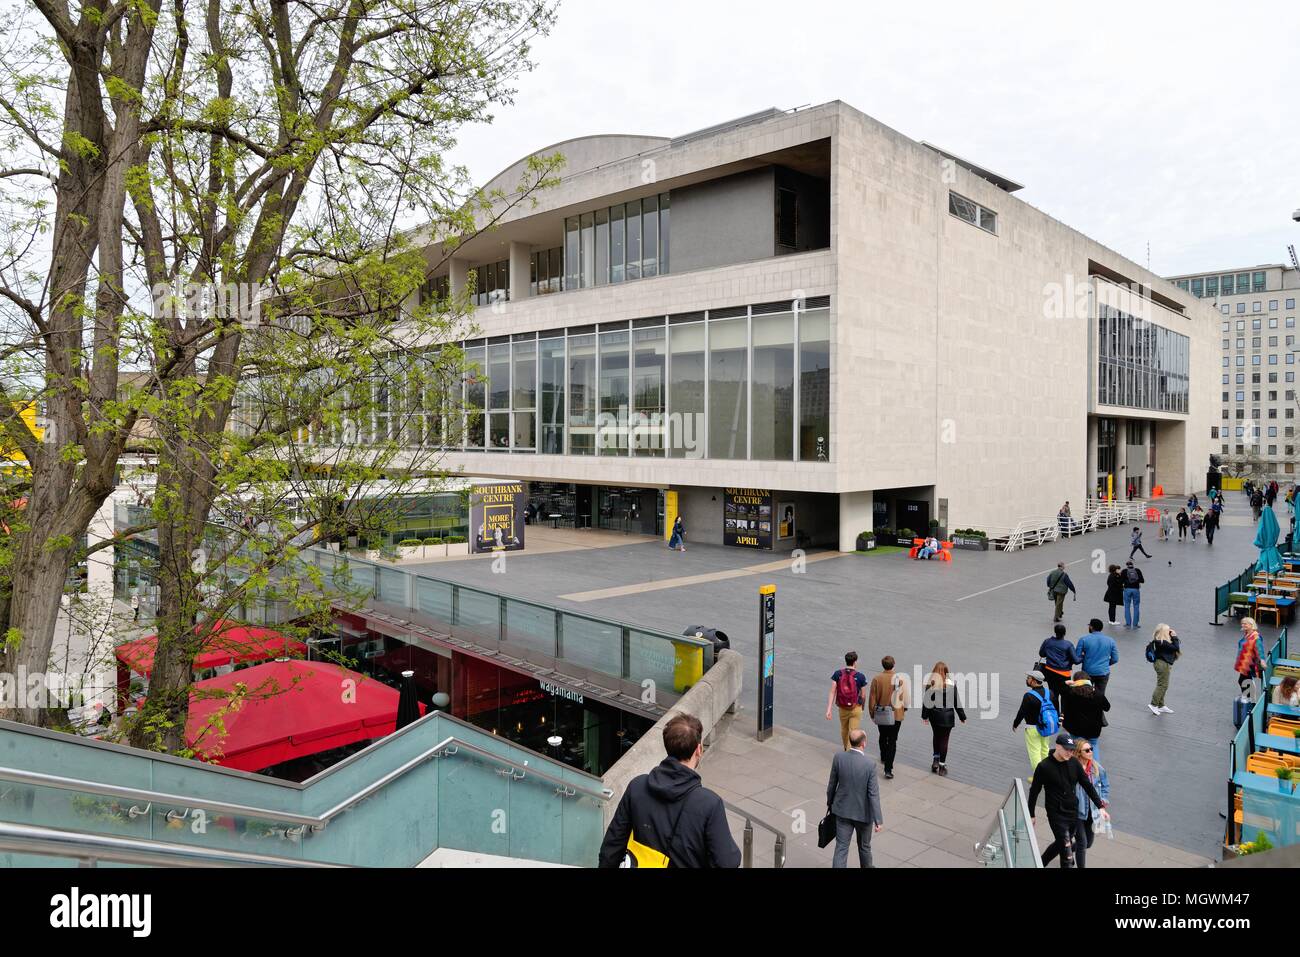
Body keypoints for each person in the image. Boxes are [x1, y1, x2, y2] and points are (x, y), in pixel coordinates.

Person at [598, 713, 740, 868]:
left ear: (667, 747)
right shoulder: (709, 804)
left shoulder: (637, 786)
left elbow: (612, 846)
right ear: (699, 750)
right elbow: (727, 862)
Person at [1028, 732, 1106, 869]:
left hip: (1072, 813)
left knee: (1062, 843)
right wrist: (1031, 814)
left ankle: (1041, 862)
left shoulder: (1074, 763)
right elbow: (1034, 791)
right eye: (1066, 749)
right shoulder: (1044, 767)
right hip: (1056, 814)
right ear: (1057, 746)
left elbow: (1087, 785)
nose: (1069, 753)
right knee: (1067, 856)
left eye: (1071, 750)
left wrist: (1100, 806)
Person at [825, 728, 884, 868]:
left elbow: (832, 784)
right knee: (864, 847)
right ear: (863, 743)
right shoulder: (869, 765)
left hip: (842, 811)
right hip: (863, 815)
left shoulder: (839, 758)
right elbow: (873, 794)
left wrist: (830, 803)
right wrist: (878, 820)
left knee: (841, 847)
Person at [1070, 737, 1111, 869]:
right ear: (1078, 752)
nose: (1091, 752)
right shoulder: (1072, 769)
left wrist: (1103, 800)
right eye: (1087, 750)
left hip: (1092, 812)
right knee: (1082, 843)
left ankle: (1067, 850)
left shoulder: (1097, 768)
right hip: (1077, 812)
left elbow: (1105, 786)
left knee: (1088, 843)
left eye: (1091, 749)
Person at [920, 661, 966, 775]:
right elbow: (957, 702)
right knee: (944, 740)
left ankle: (935, 760)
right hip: (947, 717)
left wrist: (924, 716)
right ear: (946, 672)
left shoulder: (931, 684)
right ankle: (942, 766)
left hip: (934, 716)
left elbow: (927, 703)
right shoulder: (951, 685)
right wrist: (962, 716)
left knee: (936, 736)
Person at [867, 656, 908, 780]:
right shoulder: (900, 678)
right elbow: (905, 697)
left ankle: (884, 756)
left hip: (882, 714)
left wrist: (872, 713)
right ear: (894, 664)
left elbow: (872, 698)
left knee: (883, 736)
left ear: (882, 665)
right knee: (892, 740)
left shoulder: (877, 679)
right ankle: (888, 769)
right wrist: (904, 708)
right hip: (896, 715)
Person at [1013, 671, 1056, 774]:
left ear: (1033, 680)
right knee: (1045, 750)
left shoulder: (1028, 696)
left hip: (1032, 728)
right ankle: (1048, 774)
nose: (1027, 679)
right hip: (1046, 727)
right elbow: (1055, 708)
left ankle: (1039, 778)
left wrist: (1015, 724)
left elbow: (1022, 712)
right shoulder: (1049, 693)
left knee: (1035, 753)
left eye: (1029, 678)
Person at [1062, 671, 1110, 762]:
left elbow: (1060, 690)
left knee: (1075, 749)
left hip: (1075, 728)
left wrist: (1066, 683)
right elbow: (1107, 707)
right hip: (1093, 730)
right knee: (1093, 749)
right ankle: (1096, 773)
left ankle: (1076, 770)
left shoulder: (1071, 693)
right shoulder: (1097, 694)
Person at [826, 651, 868, 750]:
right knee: (853, 732)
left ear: (846, 661)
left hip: (842, 707)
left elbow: (832, 692)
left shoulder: (837, 674)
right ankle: (849, 753)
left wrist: (829, 710)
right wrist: (862, 708)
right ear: (855, 662)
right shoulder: (860, 676)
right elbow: (863, 694)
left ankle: (846, 748)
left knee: (844, 730)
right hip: (855, 708)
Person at [1038, 623, 1078, 715]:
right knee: (1064, 695)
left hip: (1050, 672)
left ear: (1055, 632)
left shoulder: (1047, 641)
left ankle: (1055, 713)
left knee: (1053, 693)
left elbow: (1042, 654)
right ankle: (1063, 715)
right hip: (1064, 675)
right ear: (1065, 633)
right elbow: (1076, 660)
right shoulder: (1068, 645)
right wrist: (1083, 656)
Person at [1074, 619, 1119, 701]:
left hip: (1087, 672)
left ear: (1091, 627)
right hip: (1103, 672)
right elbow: (1115, 659)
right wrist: (1105, 664)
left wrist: (1084, 657)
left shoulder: (1084, 639)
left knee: (1084, 695)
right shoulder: (1110, 641)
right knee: (1100, 696)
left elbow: (1077, 658)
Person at [1145, 623, 1181, 716]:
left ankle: (1161, 705)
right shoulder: (1161, 642)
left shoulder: (1160, 641)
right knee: (1162, 685)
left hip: (1163, 663)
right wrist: (1175, 636)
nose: (1170, 632)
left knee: (1164, 685)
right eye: (1168, 630)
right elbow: (1176, 647)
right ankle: (1153, 704)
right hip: (1162, 664)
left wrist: (1172, 637)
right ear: (1164, 632)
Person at [1234, 617, 1263, 701]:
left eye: (1245, 623)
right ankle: (1248, 696)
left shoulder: (1255, 636)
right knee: (1245, 680)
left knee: (1243, 680)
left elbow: (1259, 649)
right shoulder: (1247, 634)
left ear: (1251, 625)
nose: (1243, 625)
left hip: (1250, 663)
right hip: (1245, 662)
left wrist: (1262, 660)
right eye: (1242, 623)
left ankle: (1248, 698)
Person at [1121, 560, 1144, 629]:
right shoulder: (1137, 570)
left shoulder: (1124, 571)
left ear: (1127, 565)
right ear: (1132, 565)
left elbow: (1121, 581)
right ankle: (1135, 624)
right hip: (1136, 590)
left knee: (1127, 606)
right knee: (1136, 606)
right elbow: (1142, 580)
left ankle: (1128, 623)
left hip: (1127, 590)